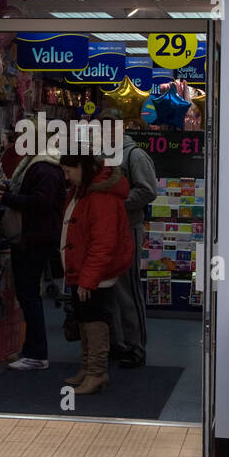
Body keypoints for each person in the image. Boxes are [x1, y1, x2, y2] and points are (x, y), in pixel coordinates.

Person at [59, 151, 133, 395]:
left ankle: (97, 371)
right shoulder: (87, 190)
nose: (66, 177)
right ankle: (89, 368)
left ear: (82, 167)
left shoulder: (99, 197)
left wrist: (88, 279)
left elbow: (103, 243)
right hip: (86, 270)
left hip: (95, 272)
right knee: (84, 316)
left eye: (69, 171)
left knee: (93, 318)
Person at [0, 148, 66, 371]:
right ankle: (32, 350)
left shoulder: (44, 167)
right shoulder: (40, 165)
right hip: (32, 236)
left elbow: (41, 202)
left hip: (33, 237)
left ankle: (37, 353)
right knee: (28, 293)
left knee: (29, 293)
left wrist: (8, 198)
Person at [98, 109, 158, 368]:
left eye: (111, 126)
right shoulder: (102, 155)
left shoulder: (135, 155)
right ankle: (117, 343)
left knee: (128, 289)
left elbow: (148, 191)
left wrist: (118, 205)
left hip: (128, 229)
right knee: (109, 288)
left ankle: (136, 346)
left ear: (121, 128)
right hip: (105, 231)